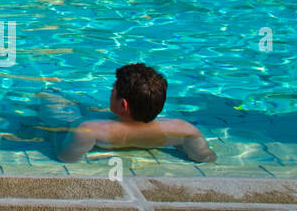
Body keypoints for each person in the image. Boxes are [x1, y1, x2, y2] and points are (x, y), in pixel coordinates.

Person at [57, 63, 216, 163]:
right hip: (157, 136)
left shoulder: (89, 129)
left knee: (53, 99)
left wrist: (66, 132)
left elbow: (67, 157)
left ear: (123, 104)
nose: (111, 92)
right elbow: (205, 156)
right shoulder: (182, 129)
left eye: (113, 90)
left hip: (102, 131)